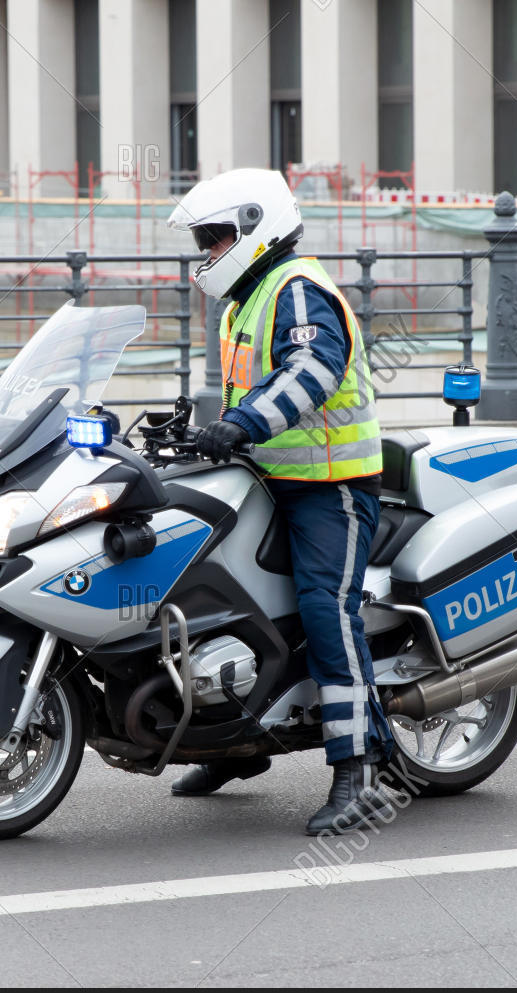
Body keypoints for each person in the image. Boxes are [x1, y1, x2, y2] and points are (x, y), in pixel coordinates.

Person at [168, 168, 396, 836]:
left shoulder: (296, 288)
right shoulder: (245, 295)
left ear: (251, 229)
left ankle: (360, 771)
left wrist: (242, 426)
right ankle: (232, 743)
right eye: (204, 240)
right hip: (267, 478)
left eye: (213, 238)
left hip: (332, 485)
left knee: (328, 607)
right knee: (207, 592)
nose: (206, 253)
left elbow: (313, 370)